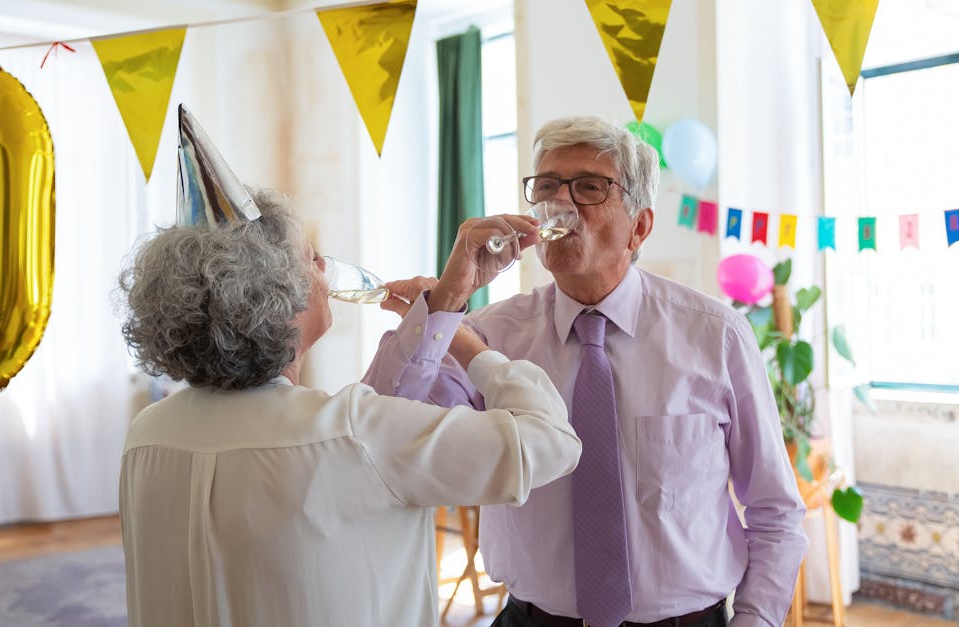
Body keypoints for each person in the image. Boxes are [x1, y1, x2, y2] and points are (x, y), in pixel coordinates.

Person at [365, 115, 809, 627]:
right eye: (548, 186)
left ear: (639, 225)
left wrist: (756, 621)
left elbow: (775, 510)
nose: (562, 204)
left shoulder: (716, 335)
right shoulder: (486, 334)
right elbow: (383, 429)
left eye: (590, 187)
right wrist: (447, 298)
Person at [116, 186, 580, 627]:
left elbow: (374, 428)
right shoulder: (353, 433)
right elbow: (550, 441)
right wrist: (465, 340)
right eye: (309, 257)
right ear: (277, 297)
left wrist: (445, 303)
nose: (323, 264)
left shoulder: (147, 433)